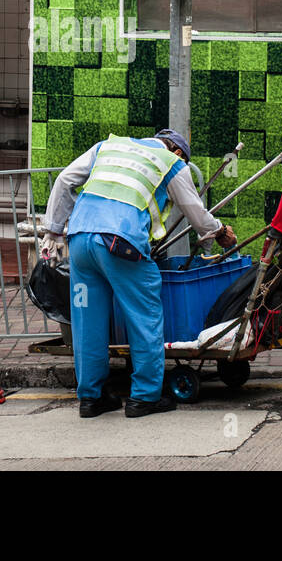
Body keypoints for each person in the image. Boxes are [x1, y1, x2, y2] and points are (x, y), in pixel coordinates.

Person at [43, 129, 236, 418]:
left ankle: (91, 399)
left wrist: (54, 230)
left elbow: (64, 180)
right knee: (144, 315)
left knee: (87, 321)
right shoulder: (171, 162)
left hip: (80, 239)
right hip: (119, 243)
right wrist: (217, 231)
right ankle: (144, 397)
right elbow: (194, 210)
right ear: (179, 152)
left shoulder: (108, 146)